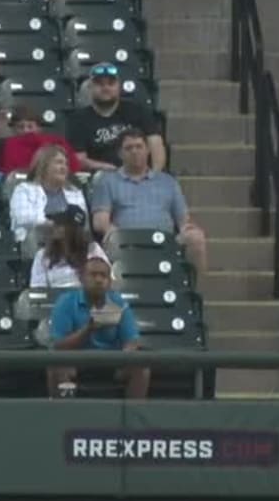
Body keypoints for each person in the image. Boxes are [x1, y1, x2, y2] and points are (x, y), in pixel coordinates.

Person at [89, 129, 208, 274]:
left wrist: (188, 230)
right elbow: (100, 222)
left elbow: (183, 220)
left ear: (148, 150)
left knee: (195, 238)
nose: (134, 151)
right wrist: (112, 231)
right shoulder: (107, 181)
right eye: (129, 148)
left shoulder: (167, 182)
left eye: (139, 147)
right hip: (126, 241)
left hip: (165, 241)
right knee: (111, 239)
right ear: (120, 154)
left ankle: (193, 293)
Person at [46, 257, 148, 399]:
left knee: (140, 365)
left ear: (110, 282)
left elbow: (131, 341)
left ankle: (134, 416)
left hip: (111, 362)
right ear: (81, 278)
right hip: (76, 363)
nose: (99, 280)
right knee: (56, 364)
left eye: (103, 276)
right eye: (93, 275)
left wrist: (128, 351)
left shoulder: (118, 303)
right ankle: (63, 413)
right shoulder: (66, 302)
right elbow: (59, 346)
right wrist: (89, 329)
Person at [65, 62, 166, 172]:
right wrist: (109, 169)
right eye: (100, 84)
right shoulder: (78, 119)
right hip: (101, 178)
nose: (106, 87)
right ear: (90, 87)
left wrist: (155, 176)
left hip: (139, 177)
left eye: (111, 83)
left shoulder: (137, 111)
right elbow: (79, 159)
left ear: (119, 86)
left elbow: (155, 144)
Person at [10, 144, 88, 243]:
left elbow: (80, 219)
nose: (64, 167)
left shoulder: (74, 193)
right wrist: (54, 224)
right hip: (37, 241)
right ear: (44, 165)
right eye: (59, 162)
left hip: (69, 241)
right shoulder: (24, 189)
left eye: (66, 164)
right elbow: (23, 218)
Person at [29, 205, 106, 289]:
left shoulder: (93, 250)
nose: (55, 226)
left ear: (73, 229)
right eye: (55, 222)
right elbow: (38, 291)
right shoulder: (42, 255)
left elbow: (105, 282)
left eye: (60, 224)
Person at [0, 104, 80, 174]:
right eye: (20, 127)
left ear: (39, 128)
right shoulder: (9, 145)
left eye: (30, 126)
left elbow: (72, 169)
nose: (26, 130)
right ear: (13, 130)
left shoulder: (57, 142)